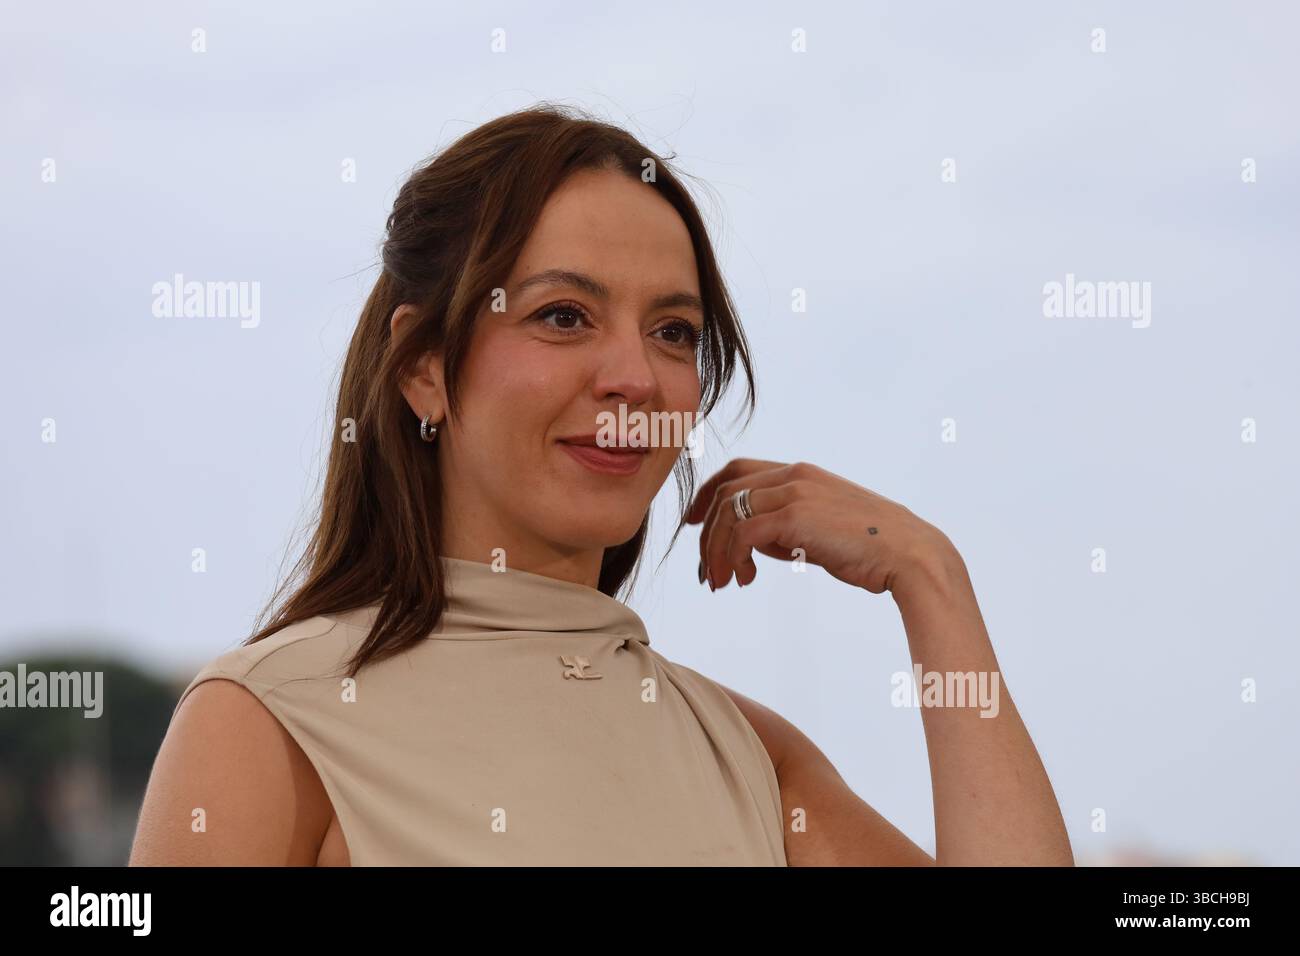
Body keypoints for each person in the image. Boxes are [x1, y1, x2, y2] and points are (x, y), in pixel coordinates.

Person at [130, 104, 1072, 866]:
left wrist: (930, 578)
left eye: (672, 331)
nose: (635, 375)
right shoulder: (270, 721)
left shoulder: (746, 755)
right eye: (565, 315)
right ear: (424, 366)